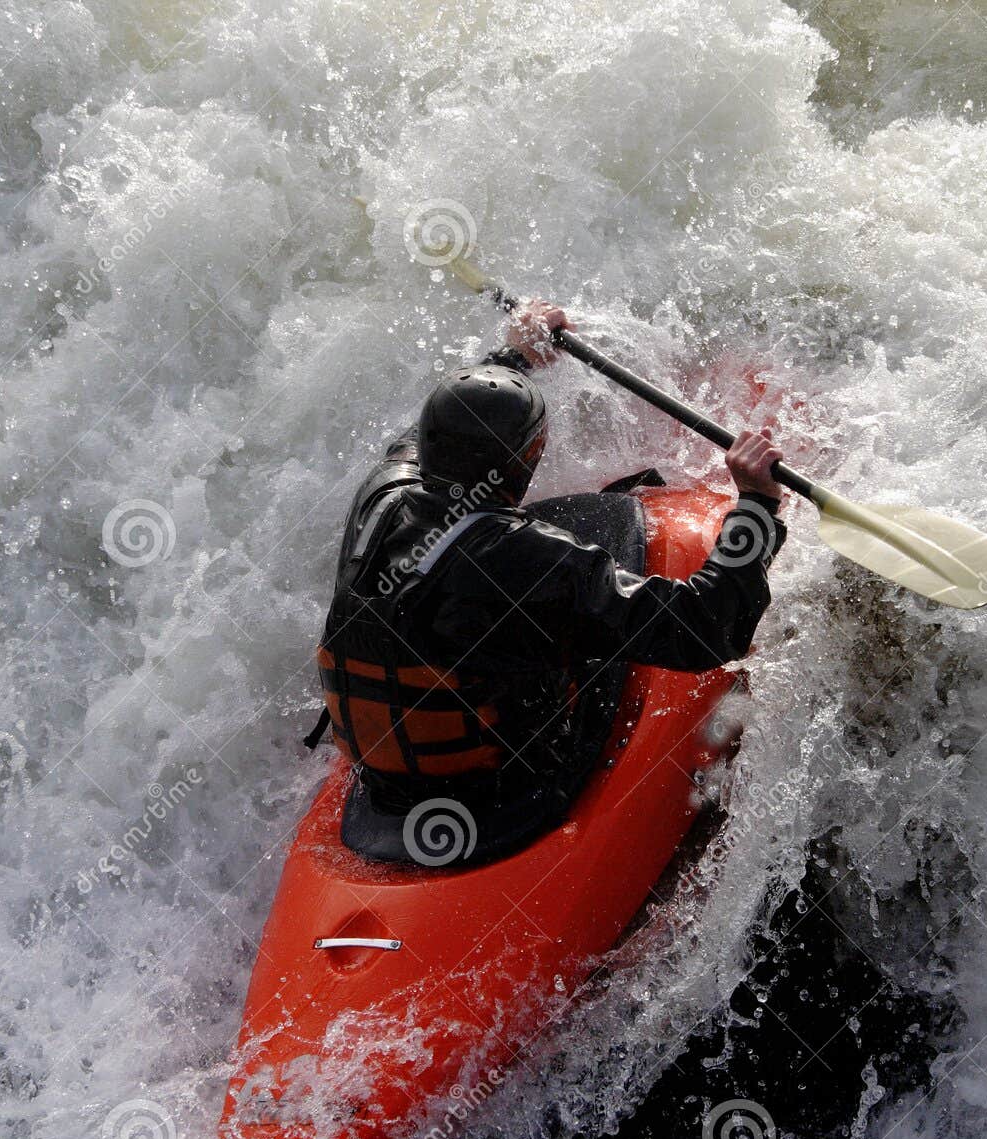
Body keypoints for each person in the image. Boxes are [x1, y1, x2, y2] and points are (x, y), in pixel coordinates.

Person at [313, 299, 787, 862]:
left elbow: (430, 437)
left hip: (387, 797)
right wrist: (756, 504)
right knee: (619, 524)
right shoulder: (535, 564)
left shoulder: (381, 495)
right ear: (526, 458)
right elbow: (706, 629)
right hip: (505, 800)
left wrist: (515, 356)